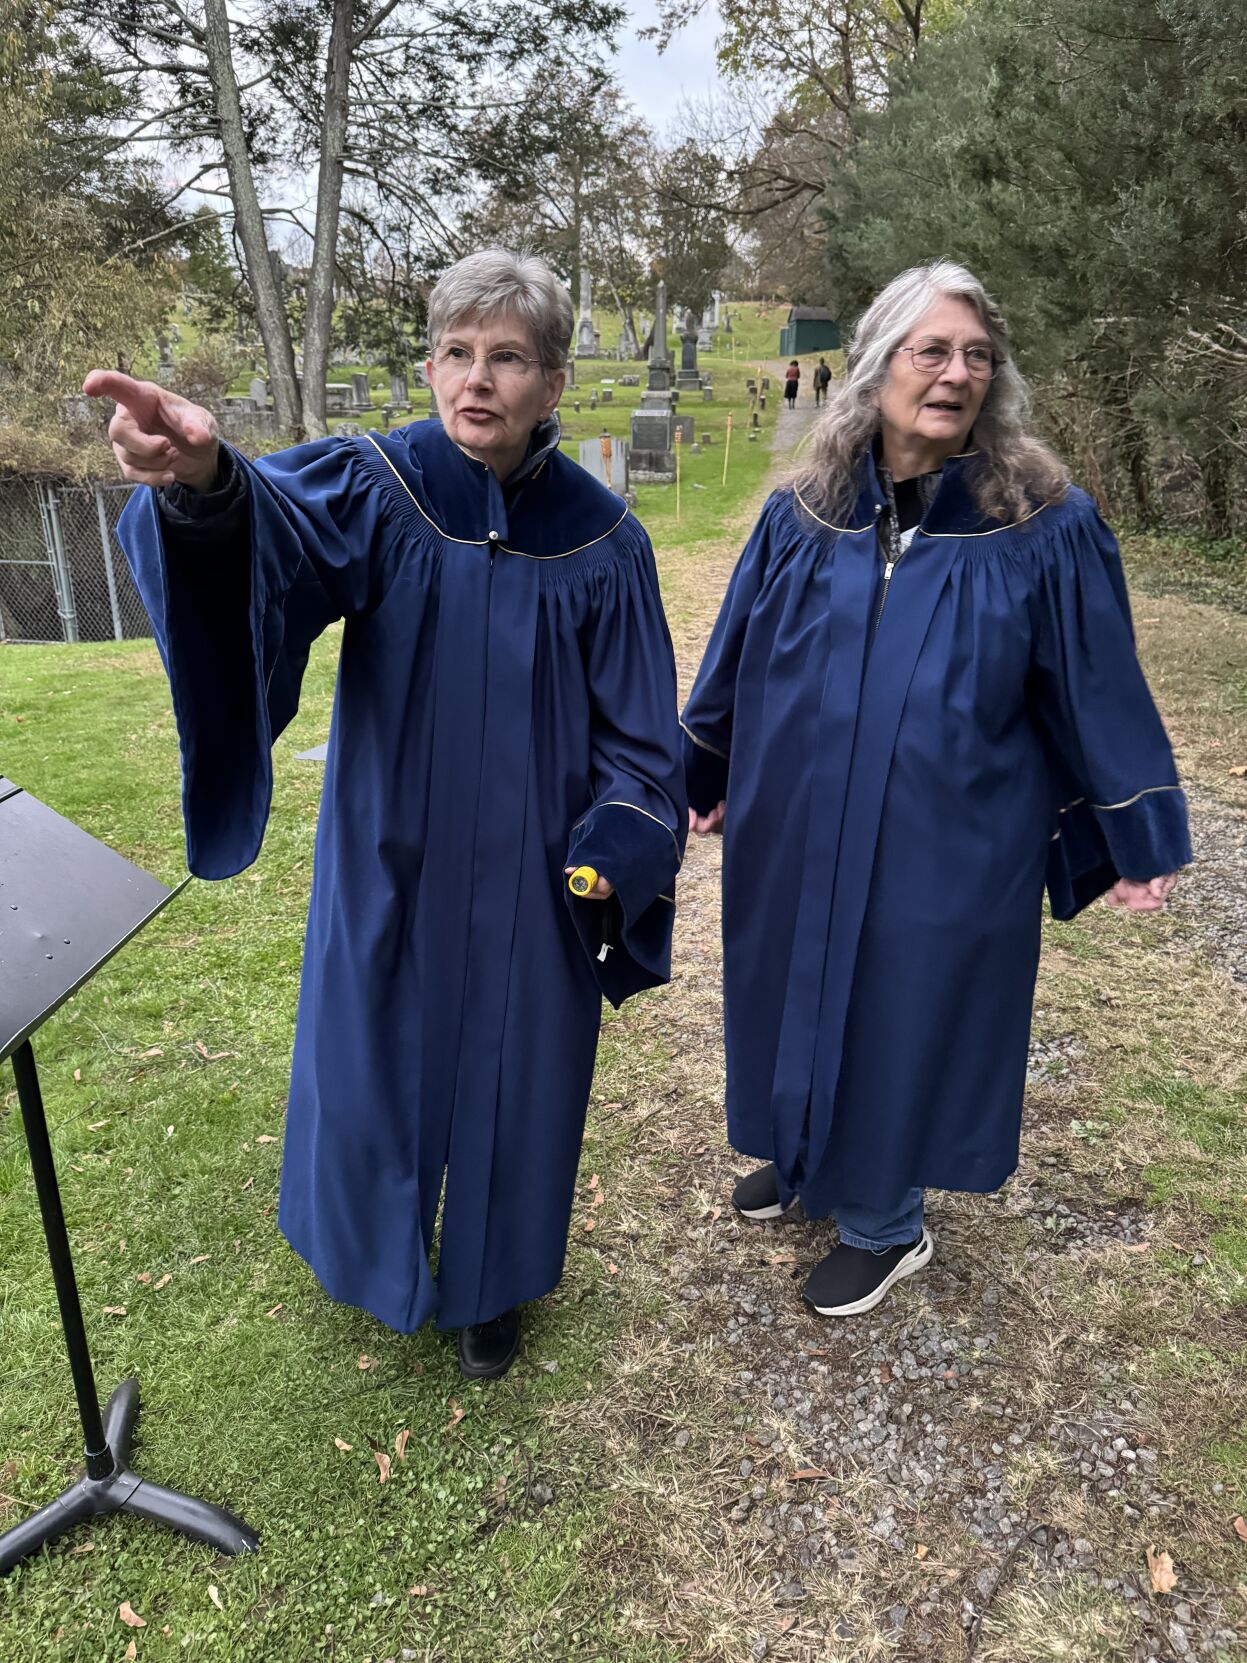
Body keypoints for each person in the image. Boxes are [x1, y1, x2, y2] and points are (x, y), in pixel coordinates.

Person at [86, 249, 686, 1380]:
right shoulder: (382, 487)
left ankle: (491, 1284)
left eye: (507, 358)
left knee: (520, 1072)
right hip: (391, 842)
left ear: (551, 384)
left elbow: (642, 739)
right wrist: (204, 480)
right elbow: (263, 532)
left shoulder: (605, 544)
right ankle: (373, 1246)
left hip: (533, 871)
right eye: (457, 353)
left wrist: (616, 843)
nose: (477, 380)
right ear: (429, 364)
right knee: (376, 1046)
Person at [680, 260, 1189, 1319]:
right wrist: (703, 767)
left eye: (975, 356)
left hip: (945, 828)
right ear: (874, 368)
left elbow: (1095, 684)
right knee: (788, 974)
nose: (954, 373)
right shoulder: (804, 512)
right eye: (930, 350)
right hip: (797, 814)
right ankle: (804, 1147)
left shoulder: (1039, 526)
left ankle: (883, 1219)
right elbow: (734, 654)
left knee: (902, 1000)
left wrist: (1134, 835)